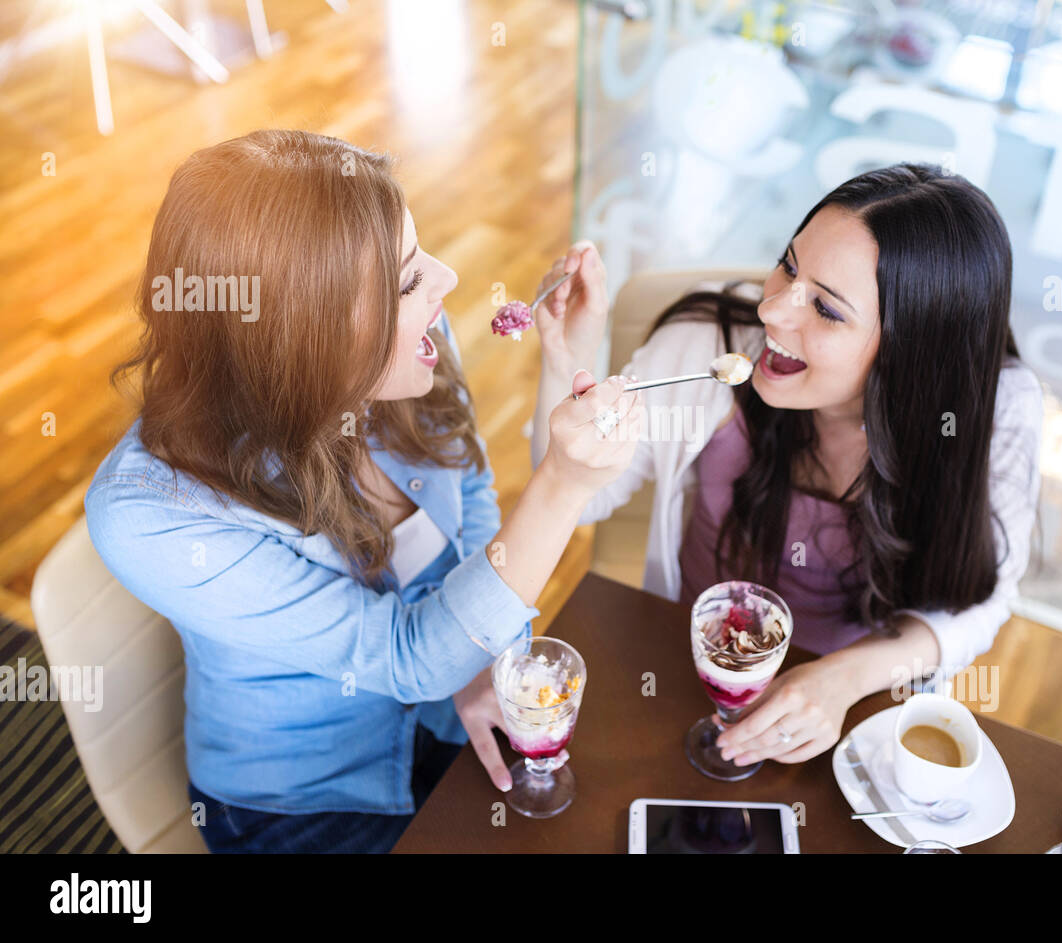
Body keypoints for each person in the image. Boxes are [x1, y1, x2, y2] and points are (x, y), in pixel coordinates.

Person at [83, 129, 644, 852]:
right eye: (407, 279)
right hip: (305, 802)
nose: (446, 282)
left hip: (450, 709)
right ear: (304, 334)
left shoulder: (412, 344)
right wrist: (563, 485)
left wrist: (477, 661)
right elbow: (412, 658)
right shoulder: (151, 514)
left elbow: (469, 490)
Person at [530, 164, 1043, 768]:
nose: (773, 311)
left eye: (825, 310)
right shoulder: (708, 344)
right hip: (688, 671)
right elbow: (576, 496)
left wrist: (840, 680)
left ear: (912, 351)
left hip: (859, 709)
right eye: (789, 266)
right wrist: (570, 357)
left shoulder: (996, 410)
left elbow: (980, 602)